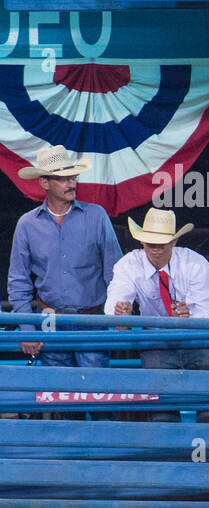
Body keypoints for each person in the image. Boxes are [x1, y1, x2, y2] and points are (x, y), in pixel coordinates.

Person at [7, 145, 122, 367]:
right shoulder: (27, 225)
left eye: (73, 177)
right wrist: (28, 329)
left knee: (94, 389)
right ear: (45, 183)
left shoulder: (97, 216)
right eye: (63, 179)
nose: (71, 184)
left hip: (91, 318)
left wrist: (117, 317)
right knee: (56, 392)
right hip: (49, 318)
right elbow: (18, 281)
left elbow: (116, 273)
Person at [105, 209, 209, 422]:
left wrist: (190, 318)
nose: (156, 250)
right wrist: (120, 312)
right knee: (162, 413)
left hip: (198, 341)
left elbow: (206, 313)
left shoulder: (195, 264)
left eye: (162, 244)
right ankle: (170, 453)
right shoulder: (129, 264)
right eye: (151, 244)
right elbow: (117, 295)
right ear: (142, 243)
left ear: (174, 242)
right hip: (157, 341)